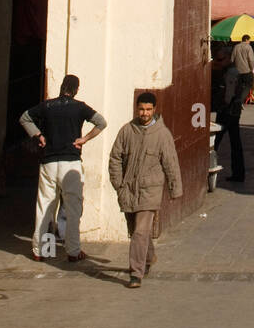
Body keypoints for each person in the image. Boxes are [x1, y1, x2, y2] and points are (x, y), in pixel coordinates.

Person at [19, 74, 107, 263]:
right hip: (70, 163)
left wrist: (38, 135)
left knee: (45, 207)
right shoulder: (80, 107)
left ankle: (40, 250)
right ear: (76, 89)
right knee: (73, 209)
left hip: (49, 163)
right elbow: (101, 122)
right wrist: (84, 139)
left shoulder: (47, 106)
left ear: (61, 87)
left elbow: (25, 118)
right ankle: (73, 251)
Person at [108, 90, 183, 289]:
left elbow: (171, 163)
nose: (145, 113)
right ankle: (148, 258)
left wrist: (175, 189)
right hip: (128, 190)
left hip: (150, 191)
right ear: (137, 109)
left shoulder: (162, 134)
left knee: (140, 232)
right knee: (136, 231)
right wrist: (118, 183)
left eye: (148, 110)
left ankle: (135, 273)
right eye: (141, 109)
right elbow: (115, 157)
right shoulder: (127, 131)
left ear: (154, 110)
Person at [215, 63, 246, 182]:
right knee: (235, 144)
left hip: (228, 112)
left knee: (216, 141)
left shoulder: (230, 75)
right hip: (233, 112)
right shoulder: (235, 74)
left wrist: (224, 106)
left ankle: (208, 167)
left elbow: (229, 94)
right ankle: (239, 173)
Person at [230, 35, 254, 101]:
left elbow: (232, 59)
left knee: (238, 86)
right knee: (249, 85)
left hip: (237, 71)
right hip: (247, 71)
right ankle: (240, 100)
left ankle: (237, 99)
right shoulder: (248, 47)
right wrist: (251, 68)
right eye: (249, 40)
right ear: (247, 40)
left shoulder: (236, 47)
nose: (250, 42)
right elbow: (251, 60)